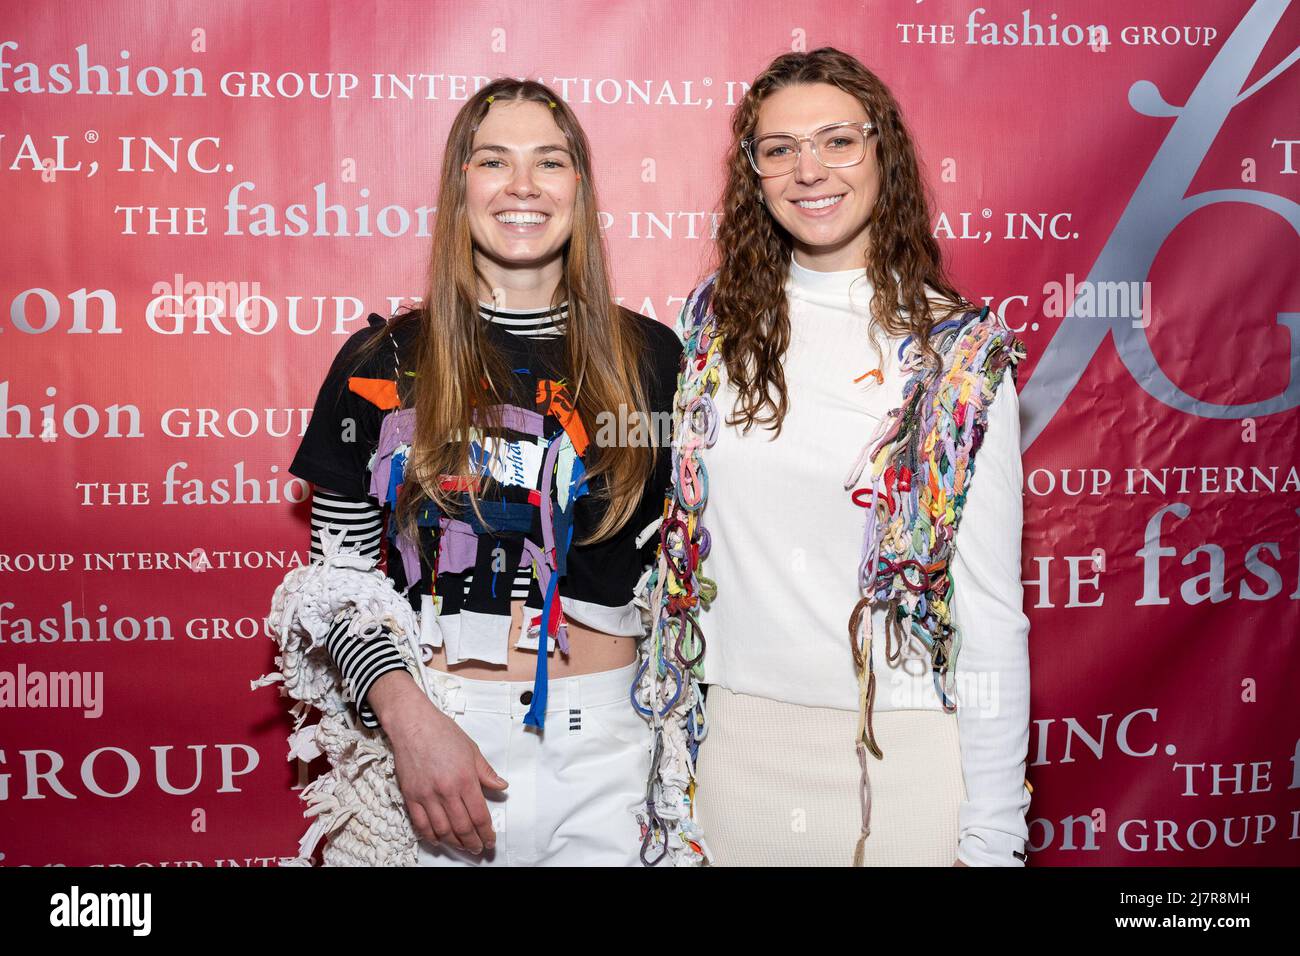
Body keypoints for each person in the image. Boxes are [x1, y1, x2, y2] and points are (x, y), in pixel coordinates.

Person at [275, 77, 682, 866]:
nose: (523, 186)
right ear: (460, 185)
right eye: (494, 162)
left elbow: (695, 574)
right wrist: (406, 716)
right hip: (433, 743)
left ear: (580, 187)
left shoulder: (655, 358)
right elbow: (337, 581)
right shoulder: (380, 360)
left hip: (610, 749)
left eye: (550, 162)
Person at [641, 47, 1032, 867]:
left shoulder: (957, 356)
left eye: (837, 141)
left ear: (882, 150)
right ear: (754, 173)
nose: (808, 170)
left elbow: (992, 617)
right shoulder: (711, 325)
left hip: (905, 760)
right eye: (778, 149)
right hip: (735, 754)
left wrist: (993, 835)